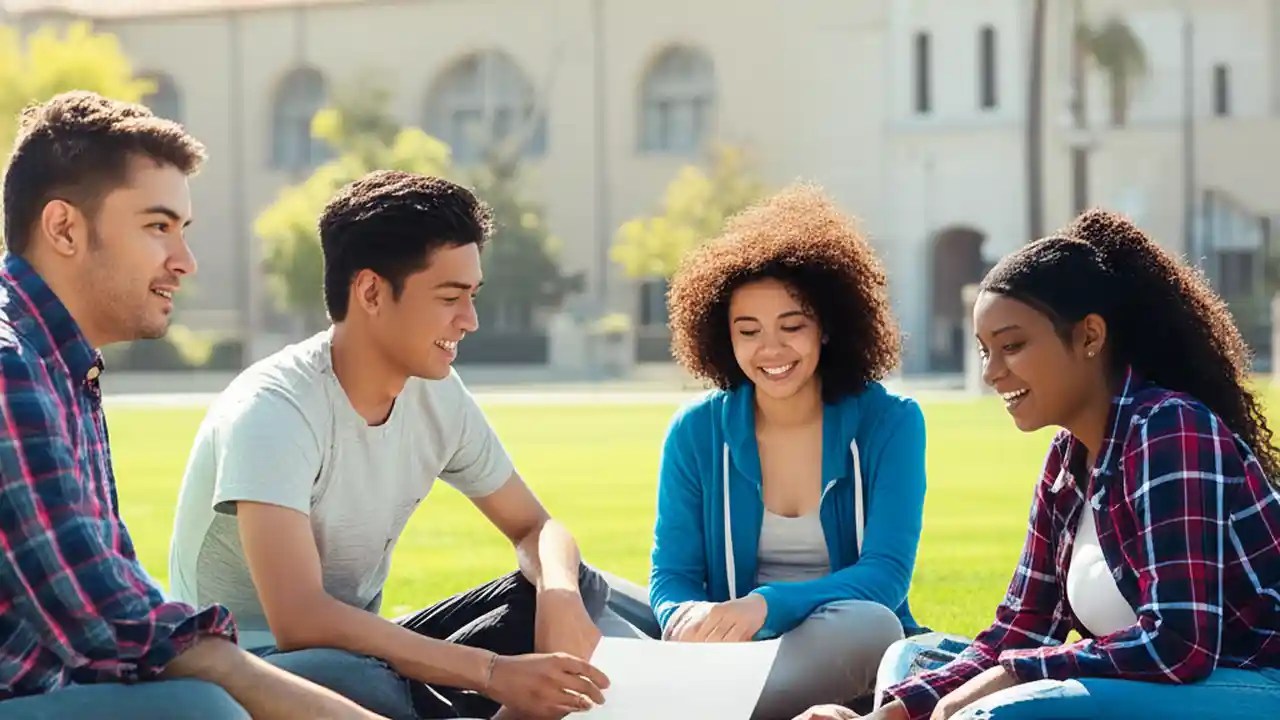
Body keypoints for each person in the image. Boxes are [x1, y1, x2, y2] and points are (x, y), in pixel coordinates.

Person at [794, 209, 1280, 720]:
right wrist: (887, 715)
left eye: (1013, 346)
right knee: (910, 658)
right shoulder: (1066, 463)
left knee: (1002, 709)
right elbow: (1020, 628)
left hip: (1254, 682)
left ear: (1089, 337)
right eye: (985, 351)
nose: (991, 374)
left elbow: (1181, 644)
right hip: (1166, 687)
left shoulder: (1170, 429)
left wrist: (1016, 674)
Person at [167, 169, 614, 720]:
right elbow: (298, 619)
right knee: (360, 682)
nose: (469, 320)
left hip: (366, 646)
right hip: (260, 663)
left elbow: (535, 528)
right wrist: (492, 673)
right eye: (450, 297)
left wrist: (559, 596)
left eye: (472, 296)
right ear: (372, 291)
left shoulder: (436, 393)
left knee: (576, 583)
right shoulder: (274, 408)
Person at [0, 91, 387, 719]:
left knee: (337, 675)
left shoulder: (63, 367)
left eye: (183, 231)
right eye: (158, 227)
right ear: (64, 228)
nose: (184, 262)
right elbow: (104, 621)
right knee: (200, 708)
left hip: (55, 687)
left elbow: (114, 588)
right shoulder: (10, 365)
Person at [614, 184, 929, 720]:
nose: (771, 350)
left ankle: (683, 701)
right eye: (748, 331)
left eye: (792, 326)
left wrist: (765, 607)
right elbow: (672, 574)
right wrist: (688, 617)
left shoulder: (892, 423)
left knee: (876, 624)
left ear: (825, 328)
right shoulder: (695, 430)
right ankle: (705, 693)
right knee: (573, 588)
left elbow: (885, 576)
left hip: (829, 636)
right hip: (724, 642)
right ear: (723, 337)